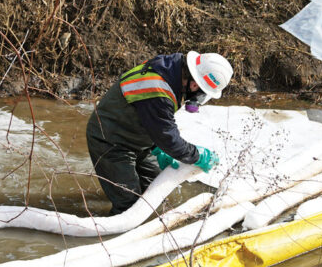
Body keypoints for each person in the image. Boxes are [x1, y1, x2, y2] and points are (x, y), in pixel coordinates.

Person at [86, 51, 232, 215]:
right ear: (195, 85)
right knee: (129, 206)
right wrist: (197, 155)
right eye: (203, 93)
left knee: (154, 192)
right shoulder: (159, 90)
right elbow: (168, 137)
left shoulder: (172, 69)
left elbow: (151, 118)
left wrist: (156, 147)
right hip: (110, 141)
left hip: (136, 137)